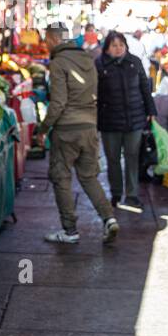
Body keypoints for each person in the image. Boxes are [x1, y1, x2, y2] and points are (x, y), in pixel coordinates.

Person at [41, 21, 119, 245]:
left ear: (54, 39)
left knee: (61, 177)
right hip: (89, 127)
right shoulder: (87, 59)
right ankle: (109, 218)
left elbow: (58, 103)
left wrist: (43, 128)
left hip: (67, 129)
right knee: (88, 177)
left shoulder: (58, 62)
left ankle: (70, 230)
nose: (46, 45)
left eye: (46, 40)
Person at [95, 31, 156, 211]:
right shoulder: (99, 64)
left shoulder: (134, 62)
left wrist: (151, 110)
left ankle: (132, 195)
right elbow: (94, 92)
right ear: (107, 48)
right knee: (112, 159)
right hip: (110, 121)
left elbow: (145, 87)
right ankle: (116, 193)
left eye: (121, 45)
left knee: (132, 157)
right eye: (114, 45)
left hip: (134, 119)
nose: (118, 48)